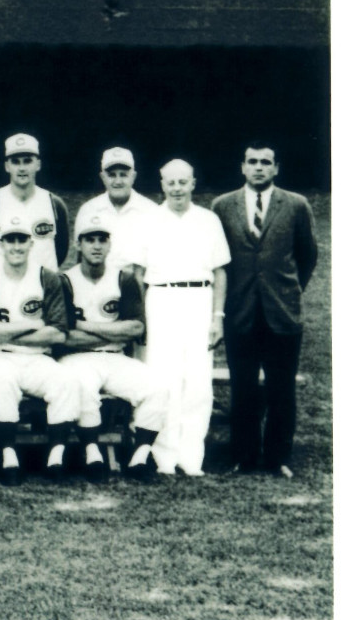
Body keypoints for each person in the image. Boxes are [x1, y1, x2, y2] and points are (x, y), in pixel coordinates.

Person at [213, 143, 318, 478]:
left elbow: (307, 255)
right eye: (252, 161)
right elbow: (217, 257)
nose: (259, 167)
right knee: (243, 387)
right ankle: (243, 456)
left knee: (281, 388)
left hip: (282, 312)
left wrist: (286, 290)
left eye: (265, 162)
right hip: (240, 310)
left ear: (276, 168)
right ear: (242, 167)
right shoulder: (222, 205)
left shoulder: (296, 205)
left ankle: (278, 457)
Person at [56, 214, 166, 481]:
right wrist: (114, 332)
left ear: (109, 245)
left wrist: (84, 325)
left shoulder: (123, 278)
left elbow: (136, 328)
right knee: (82, 385)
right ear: (78, 244)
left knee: (157, 387)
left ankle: (140, 457)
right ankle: (92, 453)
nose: (96, 246)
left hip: (115, 357)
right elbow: (63, 337)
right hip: (77, 357)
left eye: (102, 240)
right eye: (90, 240)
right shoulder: (64, 280)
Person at [0, 214, 77, 485]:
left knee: (65, 381)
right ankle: (9, 455)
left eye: (21, 240)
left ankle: (56, 457)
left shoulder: (48, 278)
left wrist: (7, 332)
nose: (16, 246)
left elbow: (57, 333)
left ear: (31, 243)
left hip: (37, 357)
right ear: (1, 244)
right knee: (1, 383)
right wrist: (33, 324)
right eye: (10, 240)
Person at [143, 159, 231, 476]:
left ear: (193, 183)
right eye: (171, 182)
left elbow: (220, 272)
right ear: (162, 184)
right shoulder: (149, 220)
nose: (177, 188)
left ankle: (191, 456)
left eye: (183, 182)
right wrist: (141, 318)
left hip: (199, 300)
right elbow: (137, 272)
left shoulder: (208, 220)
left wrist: (217, 317)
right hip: (161, 299)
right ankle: (164, 456)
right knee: (163, 379)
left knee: (197, 382)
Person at [0, 133, 70, 274]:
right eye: (15, 162)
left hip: (43, 285)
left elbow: (61, 251)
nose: (22, 168)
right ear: (7, 166)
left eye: (27, 161)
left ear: (38, 164)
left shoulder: (54, 204)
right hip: (1, 285)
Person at [72, 147, 159, 278]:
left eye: (123, 174)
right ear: (103, 177)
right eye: (112, 175)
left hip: (140, 284)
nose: (118, 181)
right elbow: (80, 259)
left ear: (133, 176)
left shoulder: (152, 211)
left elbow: (159, 259)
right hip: (98, 283)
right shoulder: (88, 210)